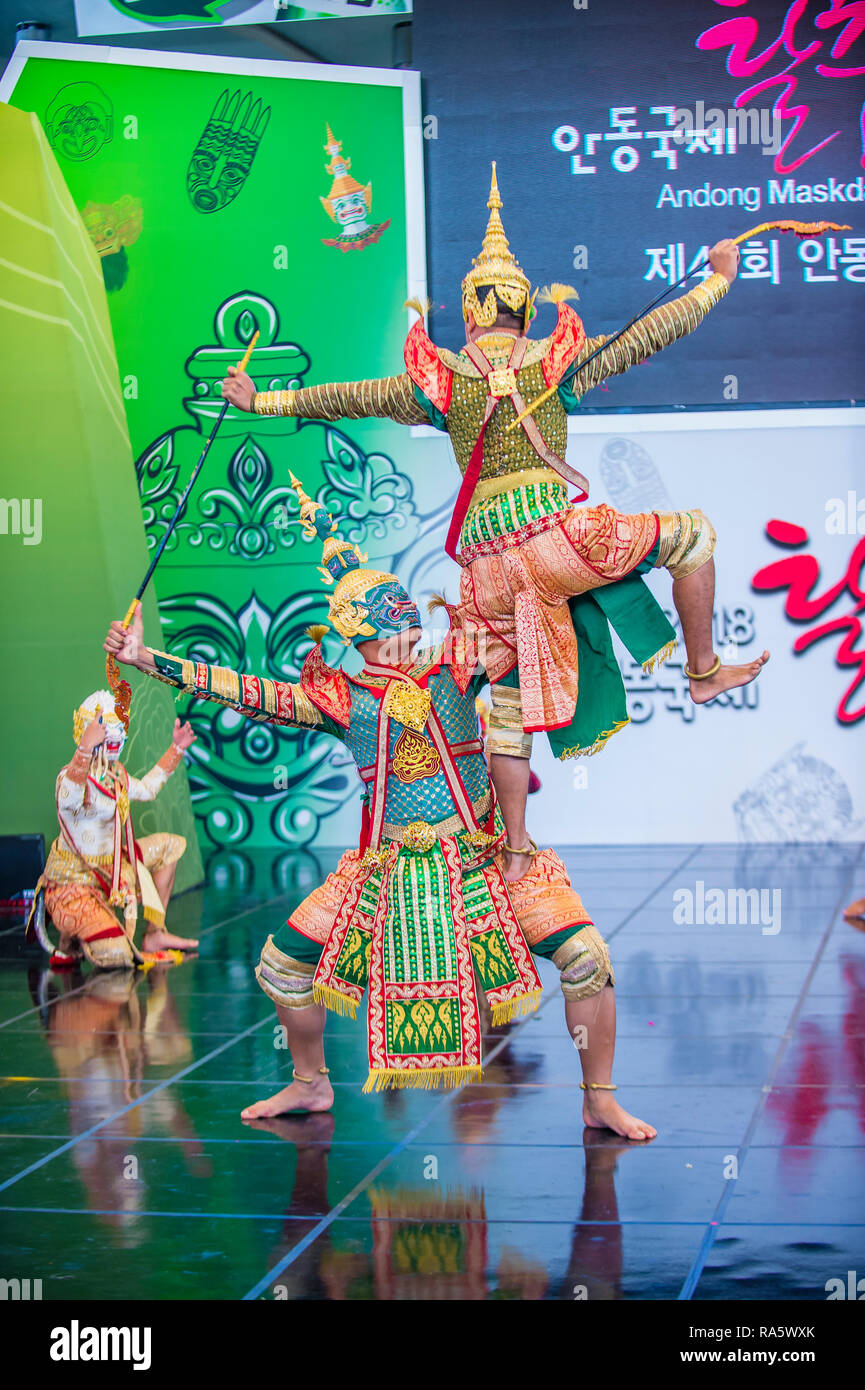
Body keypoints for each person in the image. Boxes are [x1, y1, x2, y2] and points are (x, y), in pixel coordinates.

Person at [220, 163, 768, 880]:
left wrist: (262, 403)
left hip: (482, 570)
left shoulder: (442, 378)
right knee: (690, 535)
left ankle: (512, 849)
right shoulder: (551, 362)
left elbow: (347, 396)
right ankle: (700, 671)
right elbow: (649, 333)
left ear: (471, 311)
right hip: (554, 539)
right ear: (523, 308)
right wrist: (716, 279)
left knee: (505, 699)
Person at [104, 473, 657, 1140]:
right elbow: (243, 690)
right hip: (385, 868)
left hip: (482, 861)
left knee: (587, 958)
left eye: (404, 620)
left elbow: (521, 624)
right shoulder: (339, 697)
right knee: (281, 965)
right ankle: (309, 1082)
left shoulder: (457, 663)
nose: (401, 633)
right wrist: (145, 658)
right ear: (355, 635)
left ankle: (598, 1097)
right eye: (385, 626)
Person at [28, 688, 198, 969]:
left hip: (114, 869)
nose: (118, 735)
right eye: (111, 728)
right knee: (118, 955)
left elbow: (146, 790)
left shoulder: (114, 773)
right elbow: (69, 800)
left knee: (170, 845)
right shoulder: (70, 777)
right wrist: (83, 749)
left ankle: (155, 934)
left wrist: (176, 749)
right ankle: (76, 935)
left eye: (121, 727)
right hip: (76, 885)